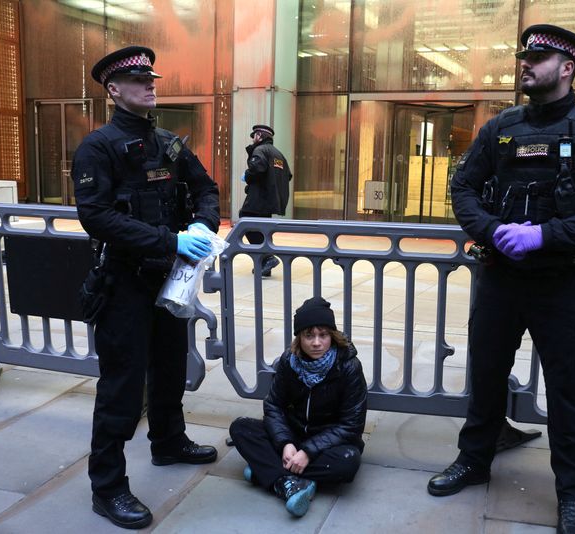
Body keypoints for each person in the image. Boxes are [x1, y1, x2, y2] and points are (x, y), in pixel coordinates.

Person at [427, 25, 575, 534]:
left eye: (538, 57)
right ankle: (474, 460)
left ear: (567, 68)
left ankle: (571, 494)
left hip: (562, 283)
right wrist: (493, 229)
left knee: (567, 391)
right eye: (523, 55)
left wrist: (546, 235)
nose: (525, 63)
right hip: (502, 279)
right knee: (486, 376)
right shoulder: (502, 127)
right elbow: (464, 188)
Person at [71, 46, 221, 530]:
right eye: (139, 80)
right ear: (114, 90)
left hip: (168, 281)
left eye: (152, 78)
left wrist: (201, 225)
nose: (151, 85)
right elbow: (96, 217)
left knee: (171, 367)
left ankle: (168, 442)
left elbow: (206, 189)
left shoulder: (169, 145)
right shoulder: (99, 147)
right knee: (121, 385)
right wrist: (169, 238)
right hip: (124, 284)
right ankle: (108, 486)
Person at [229, 296, 367, 517]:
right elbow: (274, 405)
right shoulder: (289, 361)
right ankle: (289, 481)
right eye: (308, 335)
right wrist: (286, 444)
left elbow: (351, 425)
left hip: (329, 443)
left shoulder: (348, 366)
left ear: (332, 336)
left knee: (348, 462)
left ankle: (268, 472)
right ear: (299, 338)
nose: (316, 342)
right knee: (240, 428)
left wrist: (308, 452)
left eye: (323, 335)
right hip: (293, 434)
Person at [239, 124, 292, 277]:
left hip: (259, 198)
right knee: (262, 229)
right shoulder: (278, 154)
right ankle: (264, 264)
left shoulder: (260, 150)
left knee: (246, 221)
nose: (253, 138)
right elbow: (287, 175)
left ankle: (268, 258)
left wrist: (247, 176)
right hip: (270, 200)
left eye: (254, 135)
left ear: (260, 136)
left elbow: (257, 168)